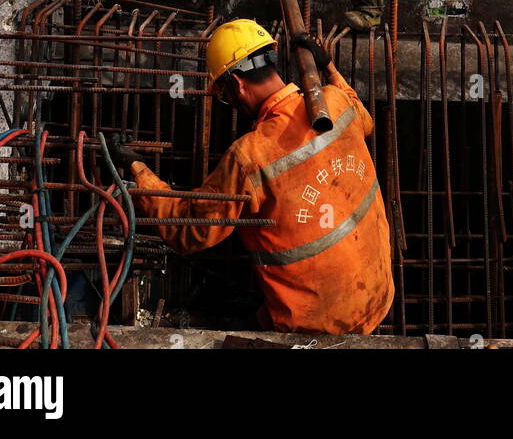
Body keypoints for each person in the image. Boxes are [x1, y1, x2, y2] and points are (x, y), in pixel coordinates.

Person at [111, 18, 394, 335]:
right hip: (376, 297)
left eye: (225, 95)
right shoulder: (335, 102)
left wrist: (138, 170)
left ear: (237, 83)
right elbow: (364, 118)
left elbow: (188, 231)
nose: (230, 103)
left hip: (314, 325)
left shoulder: (251, 155)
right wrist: (328, 67)